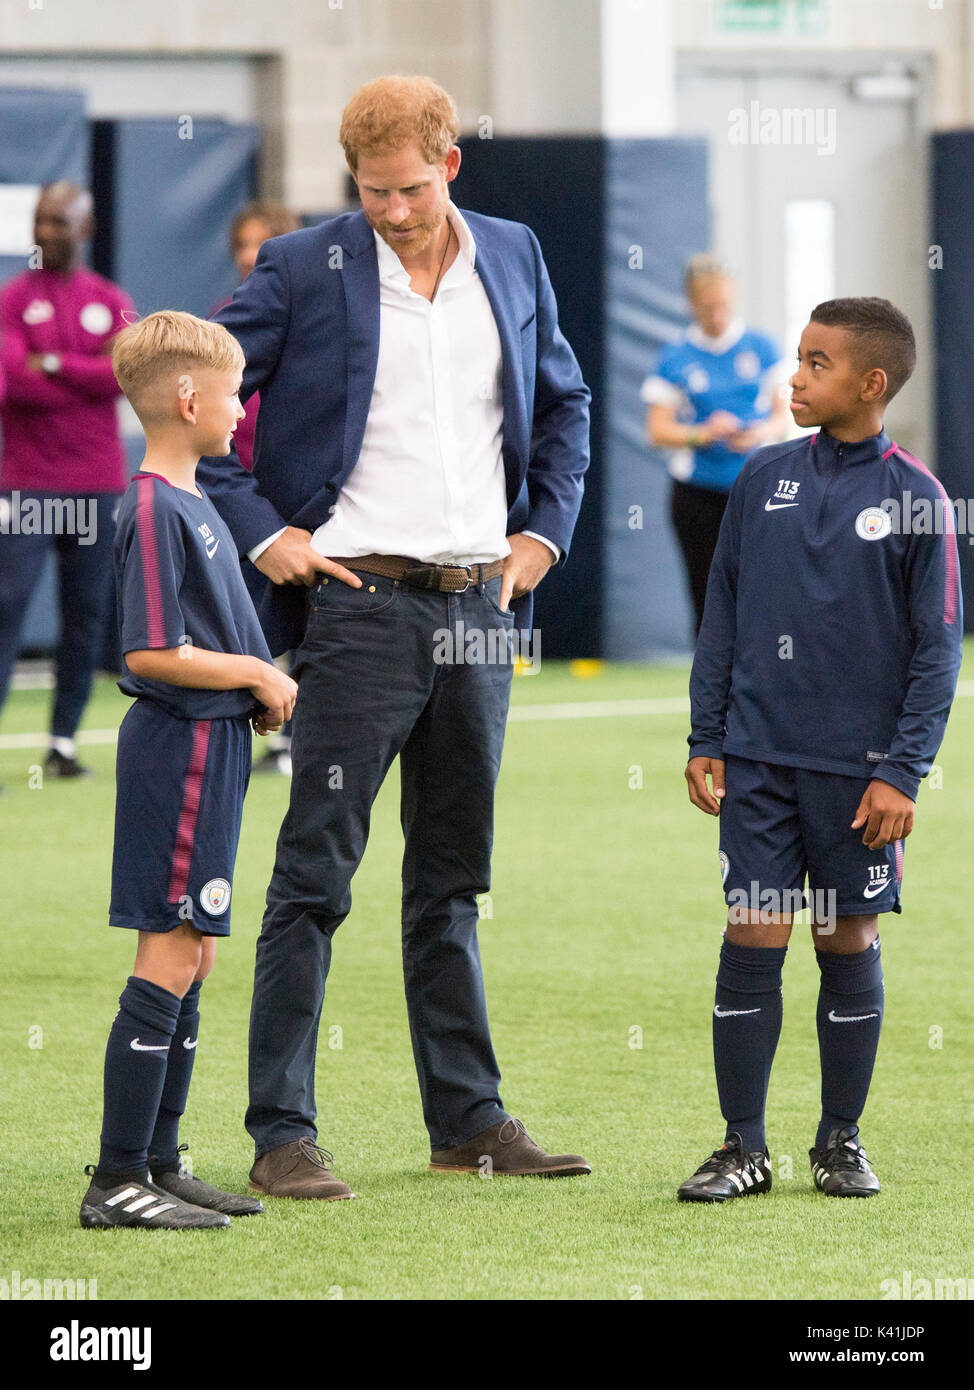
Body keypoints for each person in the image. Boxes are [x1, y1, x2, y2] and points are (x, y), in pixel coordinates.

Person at [197, 75, 592, 1198]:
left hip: (481, 608)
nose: (392, 211)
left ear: (449, 165)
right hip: (357, 610)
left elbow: (563, 405)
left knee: (452, 879)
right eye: (371, 192)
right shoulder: (299, 266)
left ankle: (466, 1119)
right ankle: (281, 1132)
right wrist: (263, 528)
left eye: (410, 188)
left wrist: (540, 542)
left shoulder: (512, 255)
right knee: (313, 875)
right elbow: (197, 397)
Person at [680, 297, 962, 1202]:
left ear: (870, 384)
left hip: (858, 778)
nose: (793, 378)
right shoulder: (761, 479)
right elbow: (720, 614)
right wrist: (707, 736)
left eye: (815, 363)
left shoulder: (916, 497)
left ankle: (839, 1141)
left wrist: (901, 771)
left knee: (845, 939)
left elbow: (938, 649)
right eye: (797, 358)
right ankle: (742, 1146)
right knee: (752, 931)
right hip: (760, 762)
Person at [79, 311, 298, 1229]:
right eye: (233, 388)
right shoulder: (150, 506)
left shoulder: (198, 502)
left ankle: (161, 1164)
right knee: (169, 948)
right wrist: (253, 671)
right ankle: (117, 1179)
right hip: (181, 751)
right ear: (185, 396)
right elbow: (153, 652)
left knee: (197, 950)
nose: (242, 406)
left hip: (219, 752)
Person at [0, 182, 134, 777]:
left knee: (86, 613)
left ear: (85, 228)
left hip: (95, 483)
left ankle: (63, 742)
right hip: (25, 483)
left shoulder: (110, 299)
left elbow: (122, 377)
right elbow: (11, 382)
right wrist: (85, 374)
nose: (45, 231)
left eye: (58, 221)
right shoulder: (11, 299)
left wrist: (52, 363)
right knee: (7, 603)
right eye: (40, 220)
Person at [643, 255, 789, 638]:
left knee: (760, 587)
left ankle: (762, 678)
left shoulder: (761, 346)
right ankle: (711, 686)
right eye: (708, 306)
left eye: (724, 303)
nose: (718, 313)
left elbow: (782, 417)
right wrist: (702, 433)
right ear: (692, 303)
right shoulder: (675, 357)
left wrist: (757, 433)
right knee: (706, 591)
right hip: (697, 493)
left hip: (755, 486)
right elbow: (657, 431)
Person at [214, 201, 303, 776]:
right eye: (242, 242)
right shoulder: (224, 320)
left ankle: (291, 738)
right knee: (234, 616)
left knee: (298, 617)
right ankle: (236, 728)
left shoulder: (315, 317)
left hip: (292, 501)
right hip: (235, 499)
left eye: (262, 242)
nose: (250, 254)